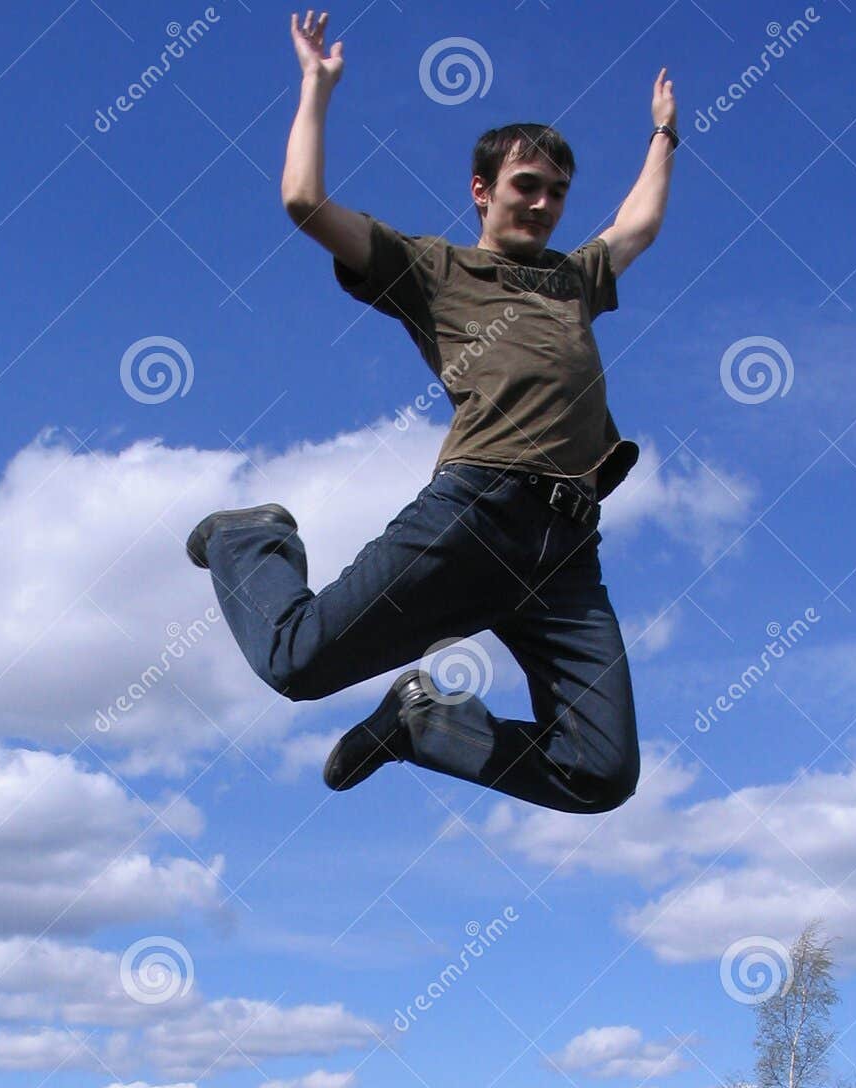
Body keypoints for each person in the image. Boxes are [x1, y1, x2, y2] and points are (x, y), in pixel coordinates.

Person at [186, 11, 677, 811]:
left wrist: (663, 137)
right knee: (298, 662)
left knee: (601, 772)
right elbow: (305, 202)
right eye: (527, 186)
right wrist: (316, 88)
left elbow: (639, 224)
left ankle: (423, 727)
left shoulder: (574, 278)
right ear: (482, 191)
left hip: (566, 552)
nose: (545, 204)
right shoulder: (437, 269)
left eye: (557, 192)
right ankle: (250, 539)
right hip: (477, 514)